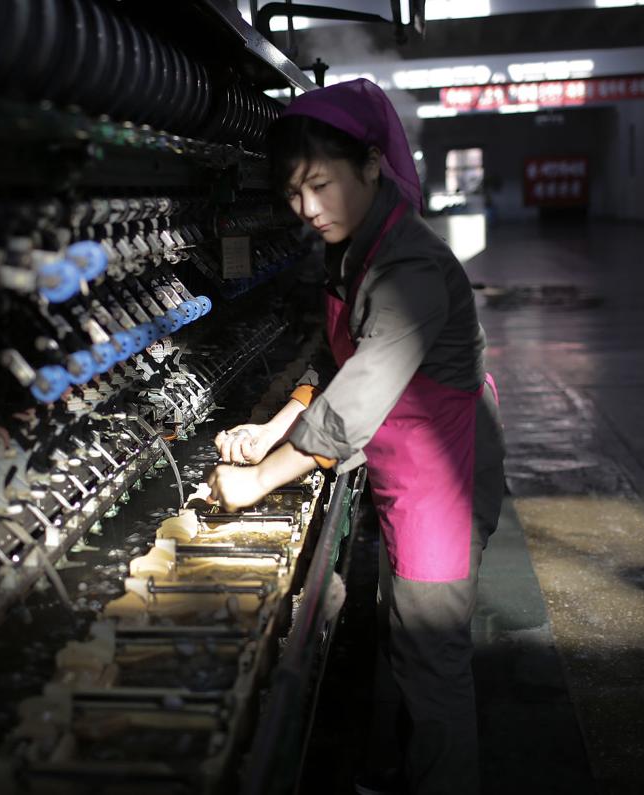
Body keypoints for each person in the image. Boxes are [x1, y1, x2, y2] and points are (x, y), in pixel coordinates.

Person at [207, 79, 505, 794]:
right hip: (401, 462)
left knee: (430, 657)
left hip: (443, 480)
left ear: (371, 164)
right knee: (399, 635)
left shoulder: (411, 266)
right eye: (292, 194)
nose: (307, 210)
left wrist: (258, 478)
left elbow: (357, 401)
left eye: (321, 184)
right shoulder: (360, 248)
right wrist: (274, 424)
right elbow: (332, 354)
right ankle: (392, 768)